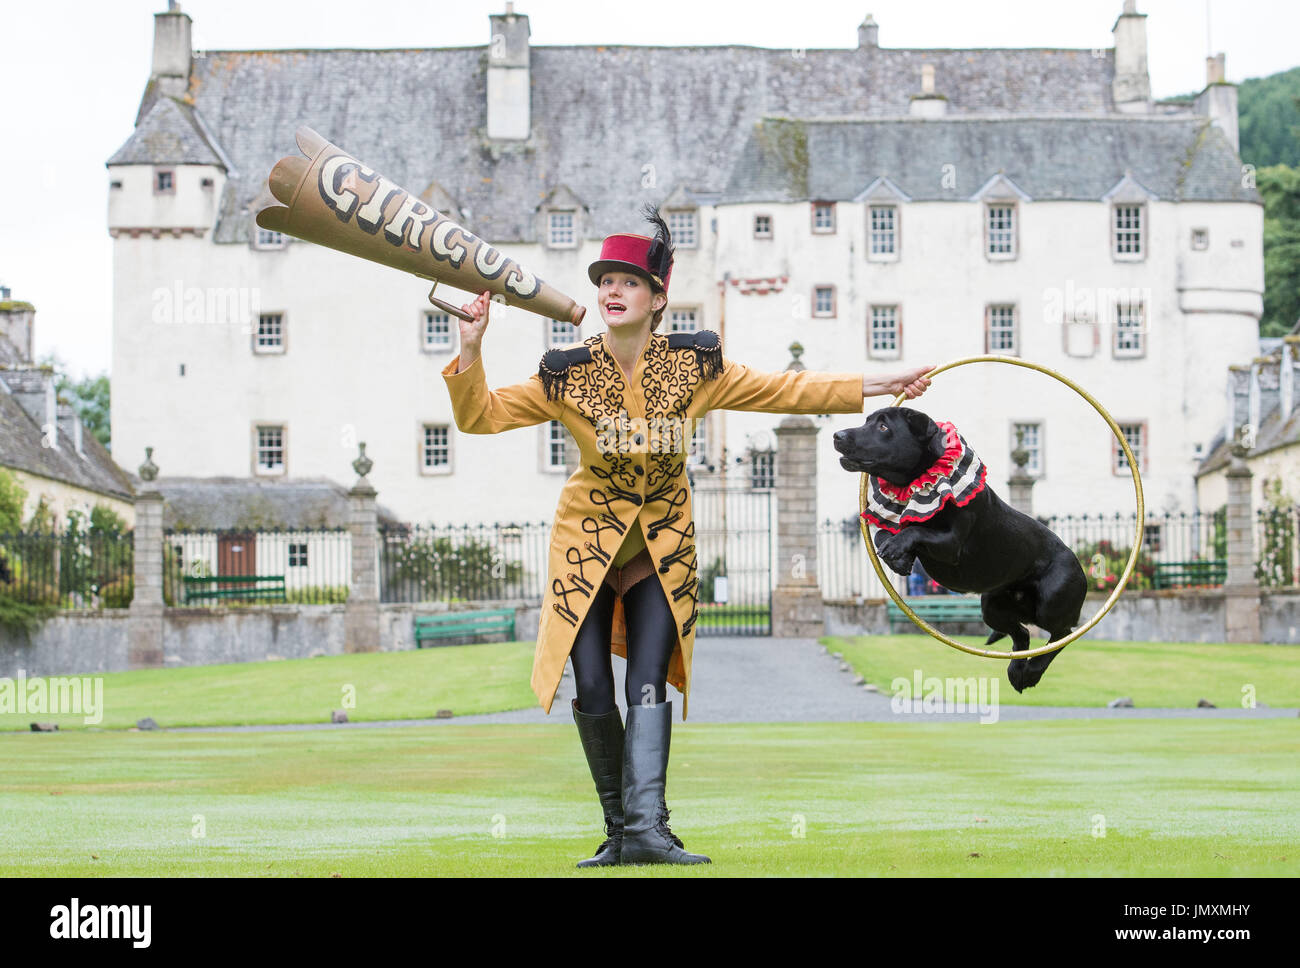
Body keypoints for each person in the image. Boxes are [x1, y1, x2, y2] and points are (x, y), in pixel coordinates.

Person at [441, 204, 931, 868]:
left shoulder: (696, 368)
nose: (612, 291)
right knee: (589, 684)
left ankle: (648, 829)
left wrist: (885, 382)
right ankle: (620, 831)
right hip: (586, 545)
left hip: (659, 547)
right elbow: (480, 416)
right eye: (604, 281)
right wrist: (470, 349)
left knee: (646, 682)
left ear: (658, 296)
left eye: (627, 281)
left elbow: (788, 390)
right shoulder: (566, 372)